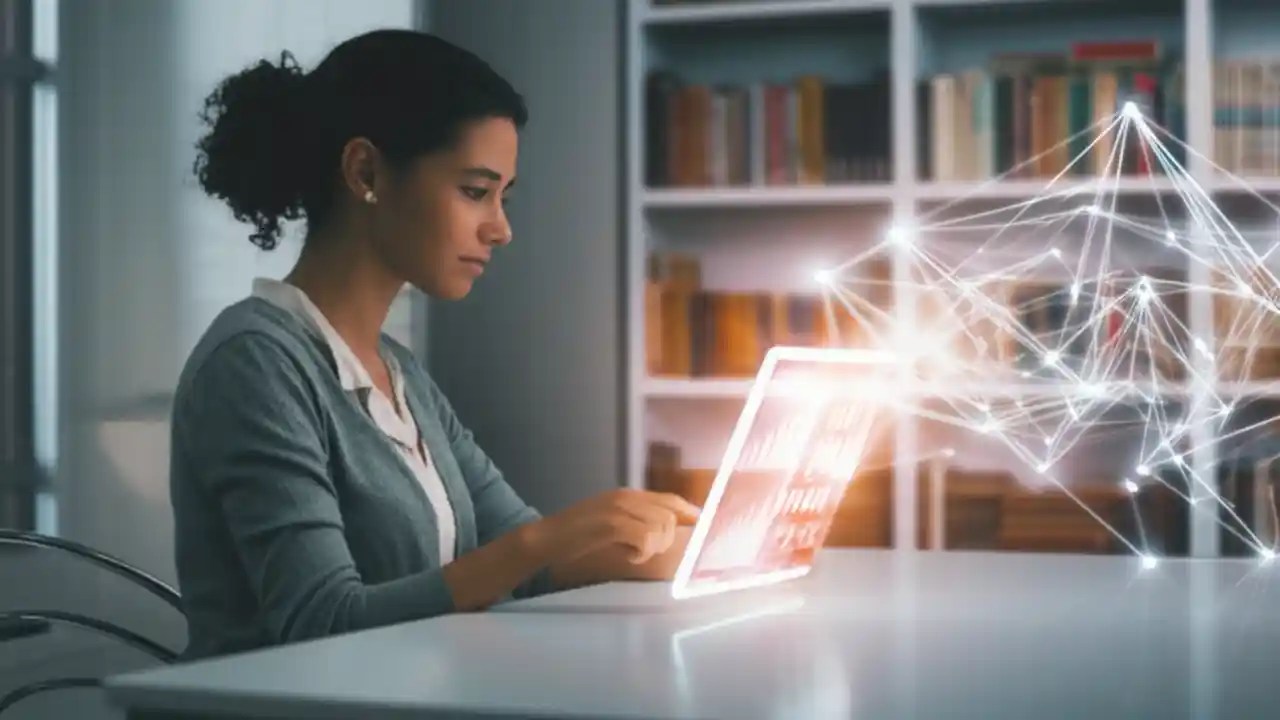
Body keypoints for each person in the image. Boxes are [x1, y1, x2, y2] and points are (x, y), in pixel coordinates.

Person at [170, 29, 700, 661]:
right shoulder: (254, 362)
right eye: (475, 191)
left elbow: (521, 559)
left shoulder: (399, 374)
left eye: (503, 196)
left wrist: (696, 549)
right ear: (365, 172)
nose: (500, 228)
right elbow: (319, 623)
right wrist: (549, 540)